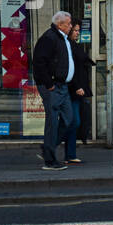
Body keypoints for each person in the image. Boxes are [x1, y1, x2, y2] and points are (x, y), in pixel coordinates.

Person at [31, 11, 74, 170]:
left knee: (69, 119)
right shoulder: (49, 38)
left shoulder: (62, 38)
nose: (70, 26)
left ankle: (48, 147)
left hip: (63, 86)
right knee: (52, 122)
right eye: (68, 24)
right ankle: (50, 161)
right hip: (52, 87)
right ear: (60, 25)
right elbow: (39, 63)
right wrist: (49, 84)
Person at [63, 23, 97, 162]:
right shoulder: (67, 46)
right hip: (72, 89)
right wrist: (77, 86)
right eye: (75, 30)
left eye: (78, 30)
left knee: (74, 121)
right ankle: (51, 146)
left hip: (78, 89)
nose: (78, 33)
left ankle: (70, 154)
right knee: (73, 121)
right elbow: (70, 70)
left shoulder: (74, 45)